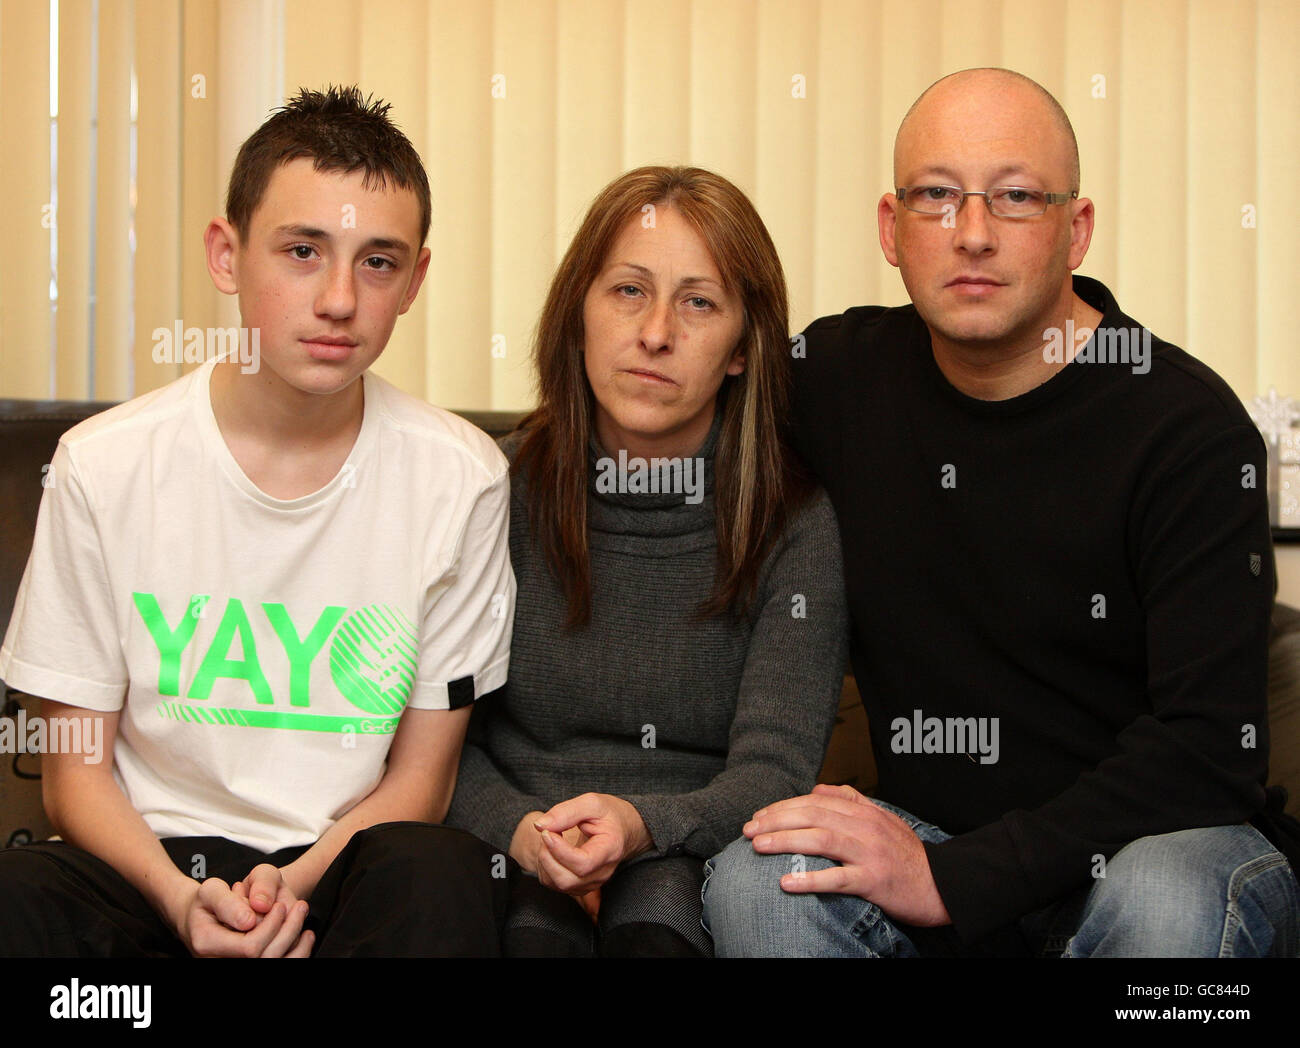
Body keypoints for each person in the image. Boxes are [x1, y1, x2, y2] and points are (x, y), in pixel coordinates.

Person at [702, 67, 1300, 957]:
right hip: (933, 834)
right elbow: (666, 406)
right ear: (891, 229)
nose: (972, 233)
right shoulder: (833, 376)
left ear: (1078, 228)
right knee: (765, 880)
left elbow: (1209, 754)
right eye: (937, 196)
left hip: (1159, 847)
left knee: (1165, 897)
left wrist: (957, 880)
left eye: (1016, 197)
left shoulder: (1186, 430)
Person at [0, 86, 515, 957]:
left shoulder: (461, 477)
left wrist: (289, 890)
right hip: (149, 873)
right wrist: (178, 900)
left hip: (337, 873)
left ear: (416, 279)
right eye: (303, 251)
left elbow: (422, 783)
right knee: (20, 895)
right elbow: (73, 775)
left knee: (440, 873)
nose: (340, 299)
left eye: (378, 262)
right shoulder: (102, 464)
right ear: (226, 254)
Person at [445, 166, 848, 956]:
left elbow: (775, 774)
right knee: (533, 931)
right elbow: (439, 745)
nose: (656, 332)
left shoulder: (794, 522)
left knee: (655, 917)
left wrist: (640, 828)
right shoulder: (492, 490)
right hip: (517, 840)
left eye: (699, 302)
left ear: (741, 349)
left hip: (695, 848)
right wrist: (522, 835)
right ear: (580, 313)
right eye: (629, 290)